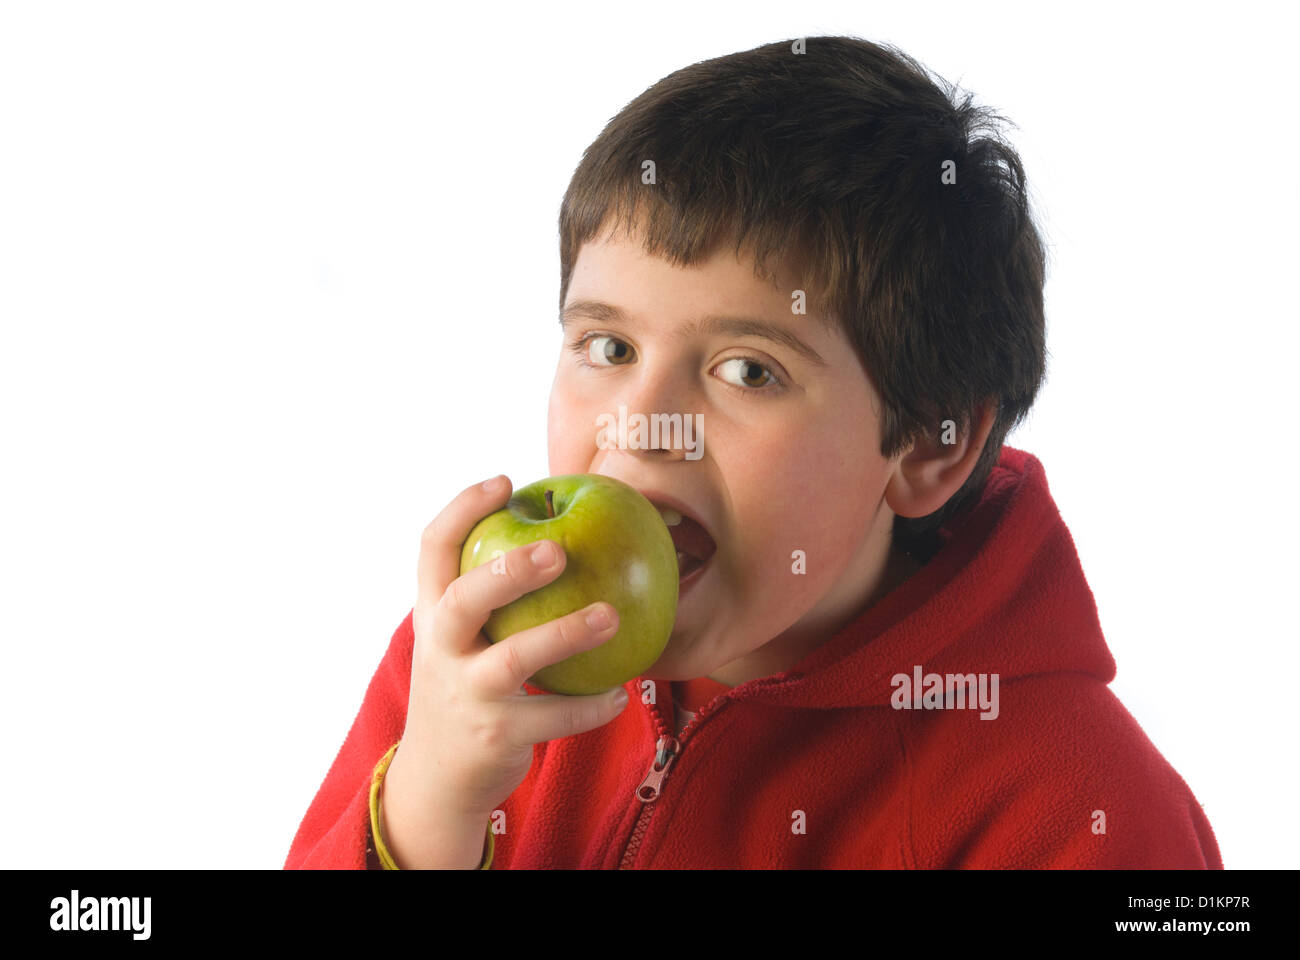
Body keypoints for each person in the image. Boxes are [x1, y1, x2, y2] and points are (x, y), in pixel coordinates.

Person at [284, 36, 1222, 869]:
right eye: (608, 348)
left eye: (746, 370)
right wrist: (423, 816)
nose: (642, 424)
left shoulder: (1075, 811)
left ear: (930, 448)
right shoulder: (473, 669)